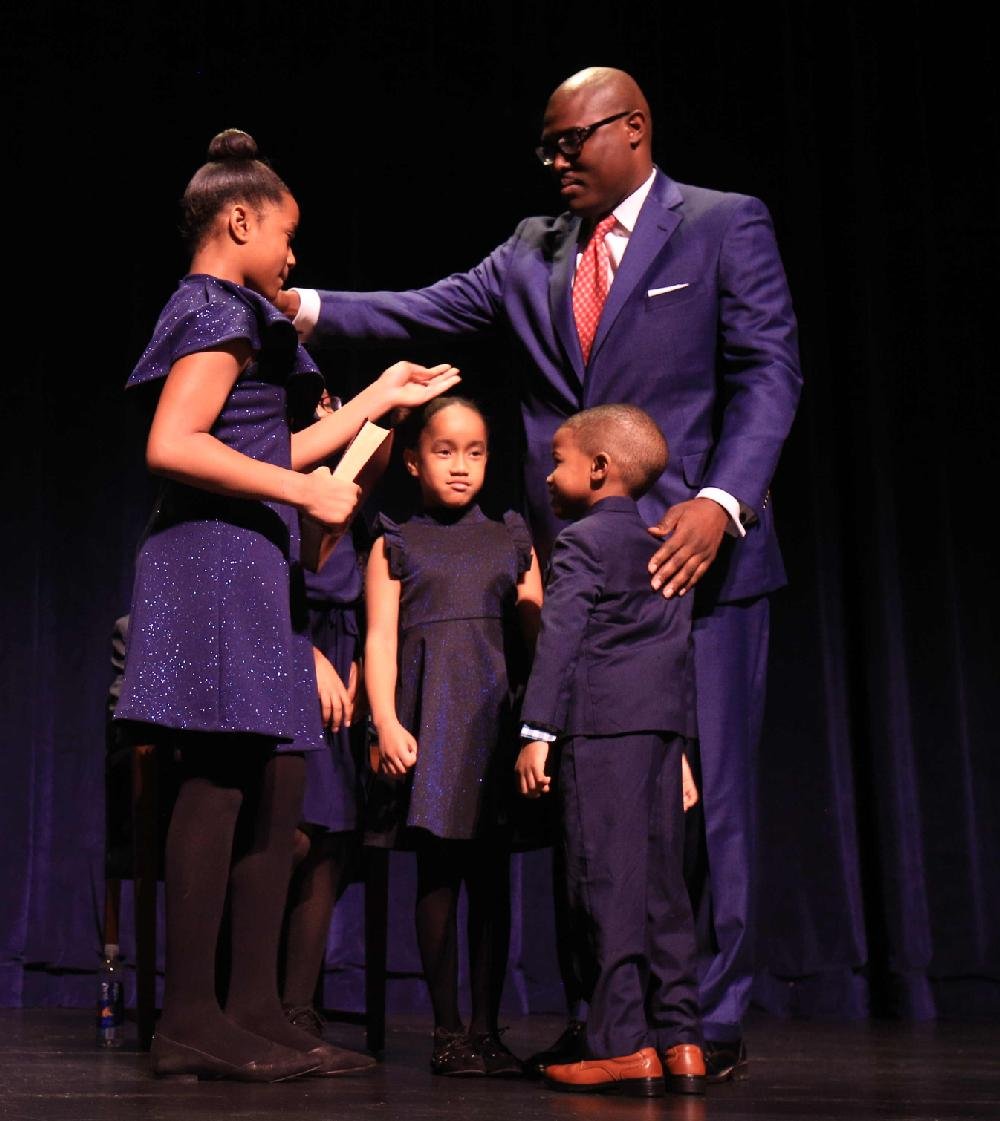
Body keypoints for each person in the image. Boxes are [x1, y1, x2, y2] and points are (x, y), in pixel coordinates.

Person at [277, 64, 802, 1081]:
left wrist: (720, 502)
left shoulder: (722, 225)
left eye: (573, 142)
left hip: (704, 561)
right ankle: (606, 1021)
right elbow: (418, 307)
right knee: (591, 807)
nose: (556, 161)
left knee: (712, 801)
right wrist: (294, 303)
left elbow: (770, 369)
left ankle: (706, 1018)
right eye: (547, 147)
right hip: (583, 581)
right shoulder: (529, 251)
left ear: (635, 129)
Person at [113, 128, 460, 1082]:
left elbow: (272, 450)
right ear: (239, 221)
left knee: (278, 783)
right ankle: (189, 1016)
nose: (296, 257)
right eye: (288, 235)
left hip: (250, 563)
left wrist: (375, 404)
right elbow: (174, 443)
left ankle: (255, 1005)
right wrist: (308, 496)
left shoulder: (238, 315)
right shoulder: (214, 309)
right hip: (209, 561)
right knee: (219, 775)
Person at [515, 404, 704, 1097]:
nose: (549, 473)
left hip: (599, 732)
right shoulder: (666, 540)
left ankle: (622, 1043)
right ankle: (680, 1037)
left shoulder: (583, 541)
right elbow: (675, 654)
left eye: (558, 460)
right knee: (662, 888)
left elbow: (560, 640)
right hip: (657, 731)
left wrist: (537, 731)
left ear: (599, 468)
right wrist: (678, 745)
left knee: (604, 883)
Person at [363, 397, 544, 1077]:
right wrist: (384, 718)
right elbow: (380, 639)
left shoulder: (511, 537)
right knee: (438, 872)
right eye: (444, 450)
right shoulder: (394, 539)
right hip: (428, 723)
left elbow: (539, 643)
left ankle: (486, 1029)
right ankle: (446, 1031)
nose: (461, 465)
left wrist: (541, 731)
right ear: (414, 460)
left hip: (494, 729)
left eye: (475, 451)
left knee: (491, 879)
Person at [279, 387, 382, 1041]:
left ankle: (295, 1007)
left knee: (335, 838)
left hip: (343, 686)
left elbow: (372, 606)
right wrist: (306, 651)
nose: (329, 410)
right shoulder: (270, 495)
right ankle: (253, 997)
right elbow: (260, 590)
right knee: (294, 834)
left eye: (333, 402)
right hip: (283, 661)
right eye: (316, 404)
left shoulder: (354, 505)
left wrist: (357, 671)